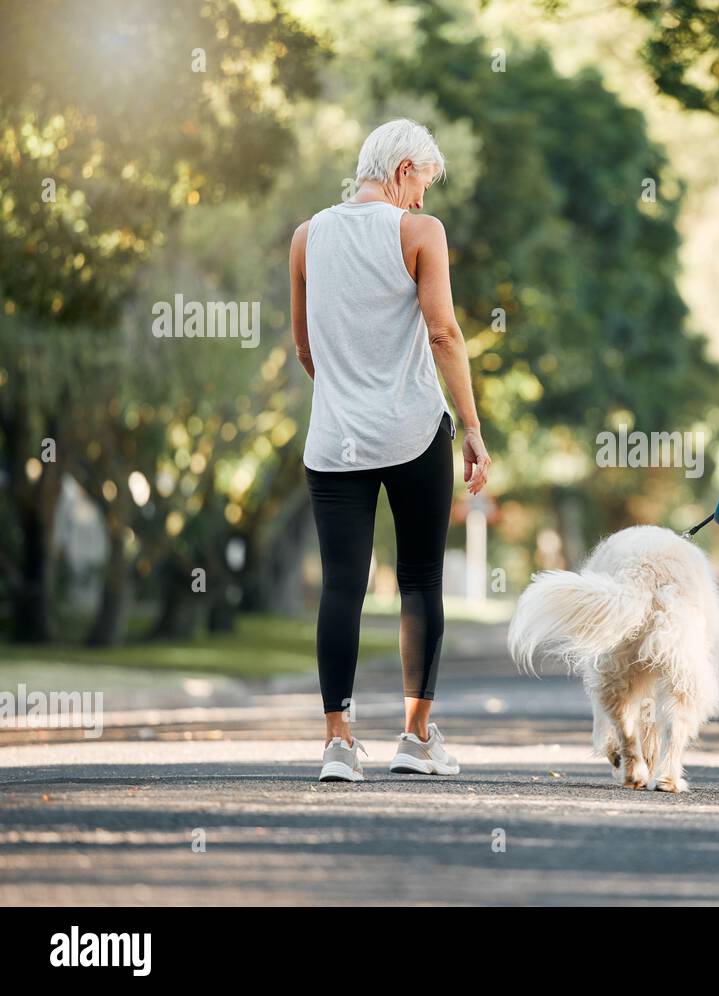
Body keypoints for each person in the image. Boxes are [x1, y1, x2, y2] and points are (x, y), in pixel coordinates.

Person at [289, 119, 491, 782]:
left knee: (341, 585)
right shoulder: (418, 234)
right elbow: (444, 336)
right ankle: (415, 735)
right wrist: (472, 427)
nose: (423, 202)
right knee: (420, 580)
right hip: (411, 434)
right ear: (404, 169)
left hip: (333, 440)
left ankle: (338, 744)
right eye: (423, 185)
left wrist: (350, 398)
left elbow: (305, 350)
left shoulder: (306, 237)